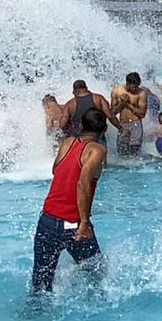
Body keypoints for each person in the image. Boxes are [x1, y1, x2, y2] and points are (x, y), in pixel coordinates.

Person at [31, 108, 108, 293]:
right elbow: (82, 183)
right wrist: (84, 222)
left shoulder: (68, 143)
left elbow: (55, 169)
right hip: (73, 224)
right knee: (97, 274)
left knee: (41, 283)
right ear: (104, 129)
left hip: (47, 220)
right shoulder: (98, 150)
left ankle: (33, 316)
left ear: (81, 125)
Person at [110, 73, 149, 155]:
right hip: (123, 125)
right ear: (127, 84)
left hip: (136, 124)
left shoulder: (142, 93)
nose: (135, 89)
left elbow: (142, 114)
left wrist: (128, 104)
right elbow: (113, 113)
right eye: (133, 87)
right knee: (121, 153)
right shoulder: (116, 91)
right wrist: (122, 103)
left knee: (135, 153)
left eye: (137, 86)